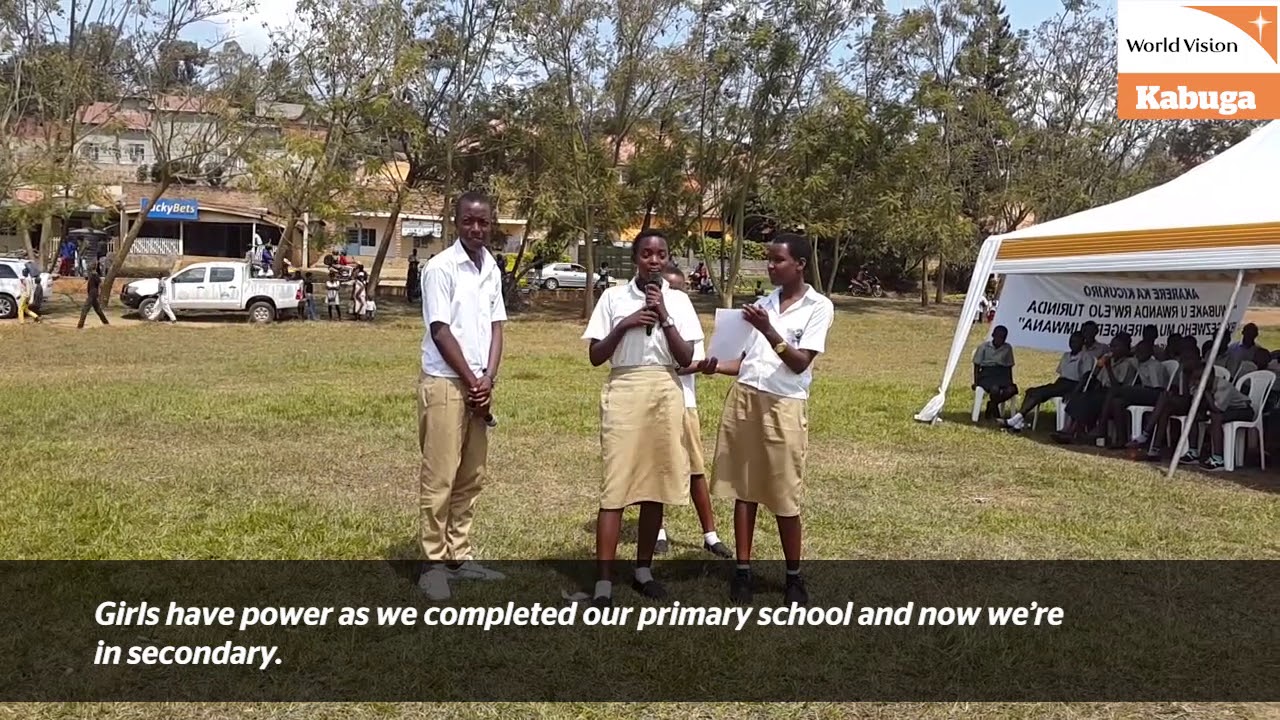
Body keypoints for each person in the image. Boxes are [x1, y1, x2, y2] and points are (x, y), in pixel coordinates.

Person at [701, 233, 834, 606]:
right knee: (744, 489)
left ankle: (793, 576)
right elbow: (744, 361)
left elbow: (799, 362)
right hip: (745, 399)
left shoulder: (818, 307)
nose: (770, 266)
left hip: (783, 404)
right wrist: (712, 366)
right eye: (769, 259)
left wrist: (768, 329)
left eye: (778, 260)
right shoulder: (763, 304)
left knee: (783, 493)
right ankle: (742, 571)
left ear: (800, 265)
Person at [582, 230, 702, 607]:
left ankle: (643, 570)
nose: (654, 260)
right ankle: (603, 582)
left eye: (660, 254)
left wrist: (664, 316)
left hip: (665, 389)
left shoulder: (678, 300)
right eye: (646, 253)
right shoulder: (613, 298)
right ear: (636, 257)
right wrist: (625, 324)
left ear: (668, 258)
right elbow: (596, 356)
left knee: (656, 483)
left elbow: (686, 358)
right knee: (615, 484)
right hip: (625, 387)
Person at [416, 191, 508, 601]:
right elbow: (440, 331)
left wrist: (488, 378)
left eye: (483, 221)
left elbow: (497, 327)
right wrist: (473, 381)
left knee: (471, 475)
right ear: (456, 222)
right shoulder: (440, 268)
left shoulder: (491, 267)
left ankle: (459, 554)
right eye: (468, 221)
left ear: (491, 224)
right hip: (445, 383)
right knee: (440, 476)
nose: (476, 228)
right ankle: (432, 564)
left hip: (478, 386)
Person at [654, 264, 732, 559]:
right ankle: (658, 530)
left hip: (683, 400)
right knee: (657, 467)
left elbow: (692, 360)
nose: (675, 292)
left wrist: (707, 365)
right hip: (653, 401)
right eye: (670, 287)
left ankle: (710, 534)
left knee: (696, 468)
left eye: (680, 287)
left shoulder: (685, 316)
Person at [1053, 332, 1138, 444]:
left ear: (1125, 348)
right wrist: (1098, 369)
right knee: (1081, 397)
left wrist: (1109, 368)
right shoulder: (1110, 360)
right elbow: (1100, 379)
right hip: (1102, 391)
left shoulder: (1128, 364)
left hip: (1115, 394)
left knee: (1089, 401)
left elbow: (1117, 387)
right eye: (1111, 346)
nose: (1112, 349)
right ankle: (1069, 429)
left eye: (1115, 347)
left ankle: (1073, 433)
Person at [1000, 331, 1088, 433]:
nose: (1073, 344)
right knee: (1031, 391)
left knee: (1039, 393)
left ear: (1082, 343)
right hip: (1061, 382)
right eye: (1071, 341)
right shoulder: (1066, 355)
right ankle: (1019, 421)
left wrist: (1074, 393)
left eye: (1076, 342)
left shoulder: (1086, 357)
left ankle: (1015, 419)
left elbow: (1085, 378)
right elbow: (1061, 374)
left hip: (1072, 385)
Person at [1101, 340, 1169, 448]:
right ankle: (1121, 439)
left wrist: (1138, 391)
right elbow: (1127, 353)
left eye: (1142, 351)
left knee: (1115, 390)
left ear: (1150, 352)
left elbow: (1158, 388)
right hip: (1143, 393)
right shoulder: (1138, 362)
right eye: (1137, 351)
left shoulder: (1155, 366)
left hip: (1155, 395)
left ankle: (1101, 426)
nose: (1138, 354)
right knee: (1117, 402)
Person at [972, 325, 1018, 421]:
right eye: (999, 336)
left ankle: (992, 404)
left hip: (1002, 373)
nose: (1000, 340)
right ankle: (995, 412)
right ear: (993, 335)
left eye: (1003, 337)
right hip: (987, 373)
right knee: (994, 389)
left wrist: (1010, 381)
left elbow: (1009, 366)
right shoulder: (984, 347)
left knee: (1012, 390)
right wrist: (976, 382)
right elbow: (976, 365)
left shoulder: (1007, 348)